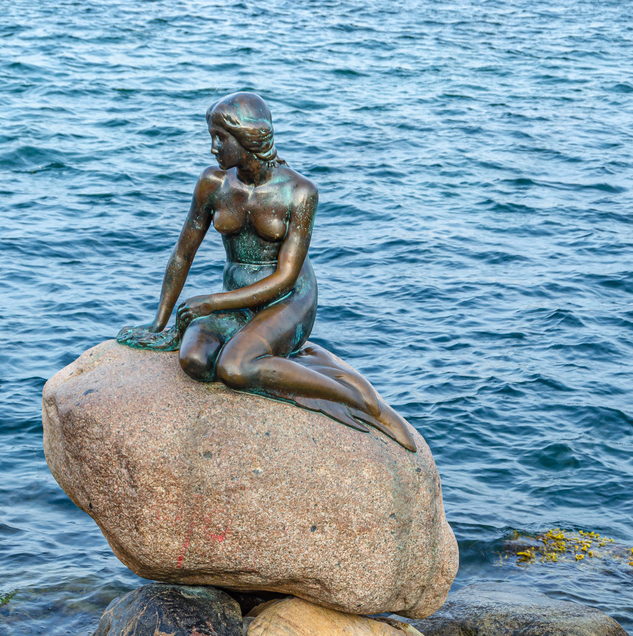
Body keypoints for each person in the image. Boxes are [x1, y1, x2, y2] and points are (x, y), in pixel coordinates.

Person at [117, 92, 415, 452]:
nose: (213, 148)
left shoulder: (299, 192)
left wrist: (211, 303)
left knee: (235, 368)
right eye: (212, 136)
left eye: (221, 138)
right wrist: (159, 322)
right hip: (237, 298)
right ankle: (287, 358)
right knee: (194, 360)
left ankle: (360, 400)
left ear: (248, 139)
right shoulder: (213, 184)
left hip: (289, 298)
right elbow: (183, 254)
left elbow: (285, 278)